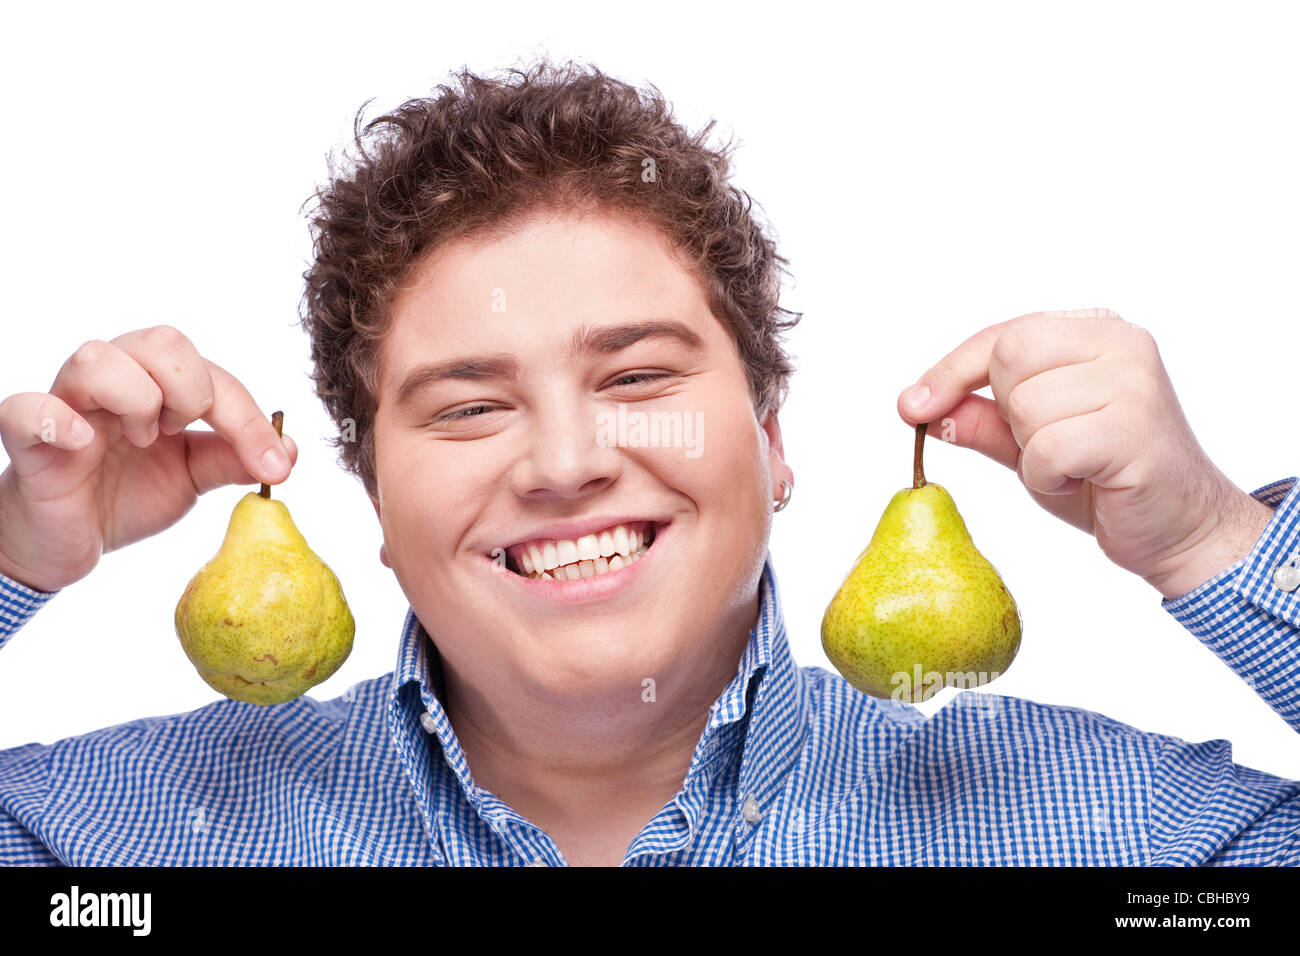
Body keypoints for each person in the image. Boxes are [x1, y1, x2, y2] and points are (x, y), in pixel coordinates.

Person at [0, 59, 1296, 867]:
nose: (566, 462)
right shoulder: (100, 848)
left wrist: (1212, 547)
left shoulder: (1116, 842)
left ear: (773, 442)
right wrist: (15, 562)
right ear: (376, 503)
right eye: (465, 410)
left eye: (635, 379)